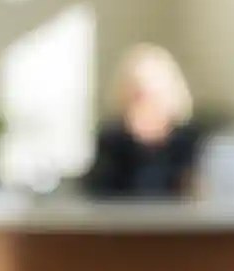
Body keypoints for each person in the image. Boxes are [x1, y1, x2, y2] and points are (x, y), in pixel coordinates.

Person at [85, 44, 202, 198]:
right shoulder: (111, 140)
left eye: (151, 95)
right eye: (138, 95)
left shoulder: (188, 140)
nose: (146, 104)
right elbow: (99, 190)